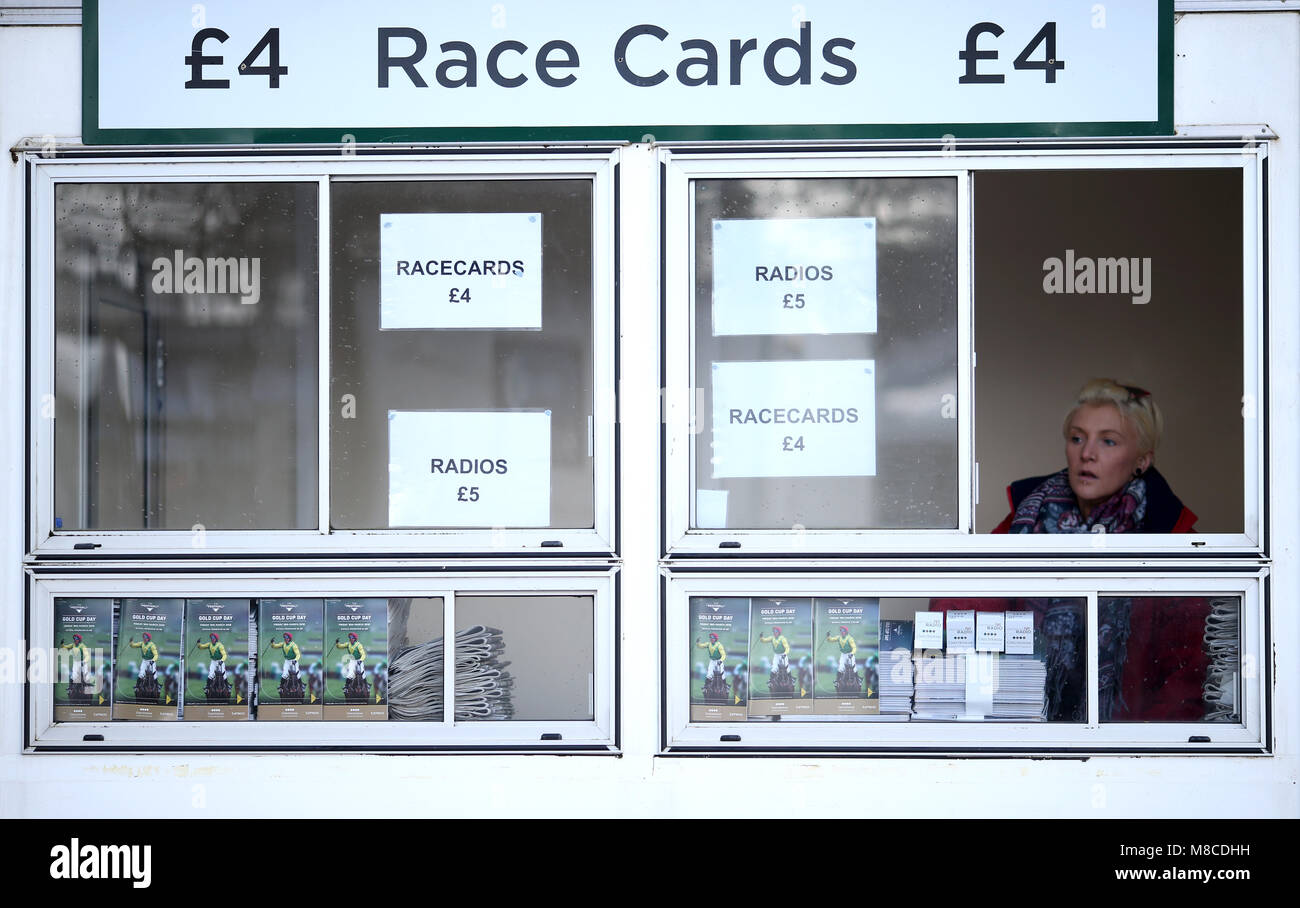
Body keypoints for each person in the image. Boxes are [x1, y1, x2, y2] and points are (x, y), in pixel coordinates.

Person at [993, 379, 1197, 534]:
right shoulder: (1028, 510)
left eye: (1108, 441)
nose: (1086, 454)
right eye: (1077, 438)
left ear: (1142, 461)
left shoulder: (1176, 536)